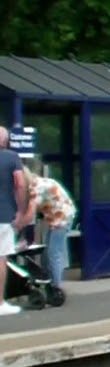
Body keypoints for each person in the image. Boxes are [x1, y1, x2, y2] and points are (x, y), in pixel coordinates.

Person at [18, 165, 76, 290]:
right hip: (60, 216)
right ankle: (50, 282)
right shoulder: (39, 182)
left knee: (53, 253)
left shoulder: (36, 188)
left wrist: (18, 225)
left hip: (61, 218)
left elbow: (29, 212)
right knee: (49, 252)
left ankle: (55, 287)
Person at [0, 127, 29, 314]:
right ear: (5, 140)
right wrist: (21, 210)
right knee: (0, 259)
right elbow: (19, 183)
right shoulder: (11, 157)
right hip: (2, 215)